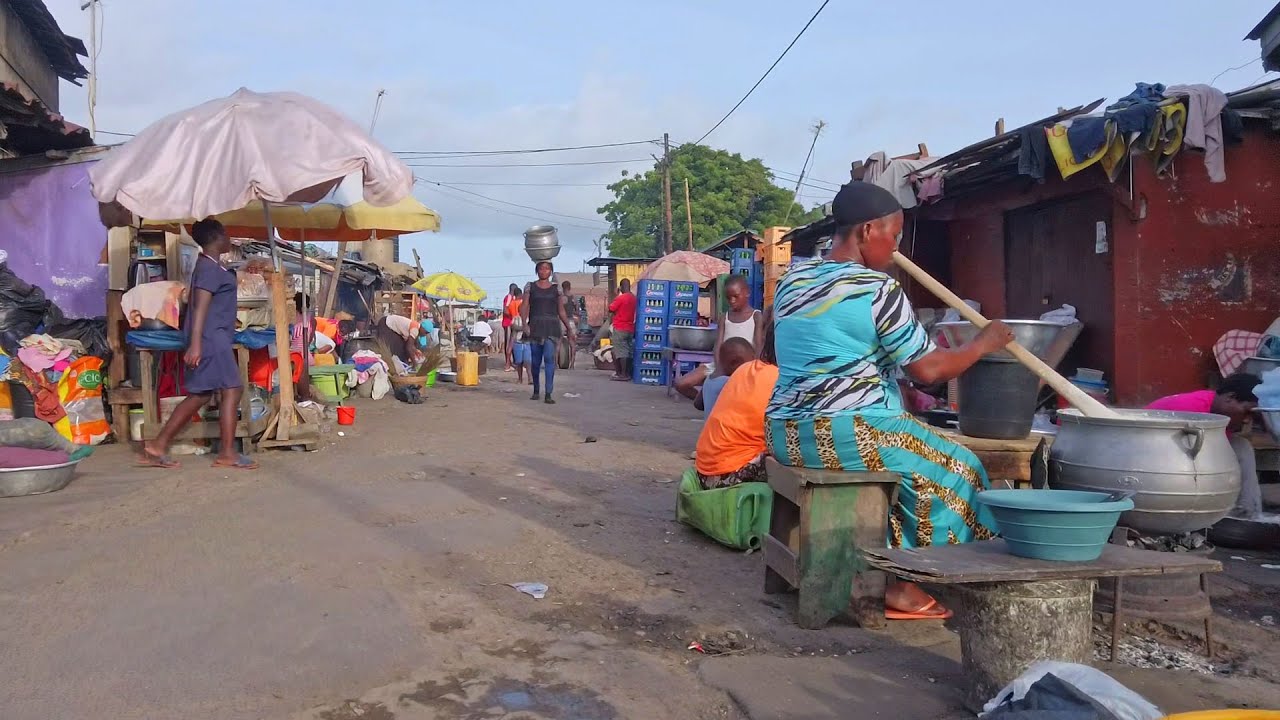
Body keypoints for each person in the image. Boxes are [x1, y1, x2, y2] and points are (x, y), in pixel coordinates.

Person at [767, 182, 1014, 620]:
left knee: (911, 459)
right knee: (963, 469)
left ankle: (889, 569)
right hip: (848, 430)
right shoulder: (877, 289)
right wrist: (983, 344)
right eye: (894, 235)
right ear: (866, 231)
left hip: (785, 430)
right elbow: (929, 370)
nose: (897, 246)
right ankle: (910, 583)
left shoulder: (793, 280)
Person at [140, 219, 258, 470]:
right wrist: (195, 344)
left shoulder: (210, 266)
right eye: (226, 234)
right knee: (232, 389)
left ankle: (159, 445)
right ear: (217, 237)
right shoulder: (208, 269)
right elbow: (200, 307)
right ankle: (227, 453)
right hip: (210, 340)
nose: (229, 239)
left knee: (201, 394)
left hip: (213, 337)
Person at [1147, 373, 1263, 518]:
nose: (1246, 420)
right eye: (1246, 411)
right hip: (1153, 457)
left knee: (1241, 447)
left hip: (1181, 450)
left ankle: (1249, 512)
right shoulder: (1193, 410)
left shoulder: (1217, 409)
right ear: (1230, 398)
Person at [695, 325, 780, 490]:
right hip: (725, 473)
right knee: (791, 462)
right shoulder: (779, 380)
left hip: (704, 468)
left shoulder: (746, 368)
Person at [675, 274, 763, 401]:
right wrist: (719, 368)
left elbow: (759, 345)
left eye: (736, 296)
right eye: (728, 298)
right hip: (721, 364)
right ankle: (707, 403)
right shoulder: (724, 317)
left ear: (747, 293)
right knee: (681, 384)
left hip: (746, 366)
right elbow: (718, 346)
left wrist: (754, 369)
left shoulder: (756, 316)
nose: (732, 301)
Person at [520, 261, 576, 403]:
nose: (544, 271)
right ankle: (536, 390)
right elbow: (524, 306)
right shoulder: (530, 287)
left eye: (547, 269)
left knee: (550, 359)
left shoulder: (556, 290)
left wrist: (569, 328)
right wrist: (524, 324)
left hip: (552, 326)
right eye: (541, 268)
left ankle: (548, 393)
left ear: (551, 272)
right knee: (536, 361)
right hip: (535, 326)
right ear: (537, 271)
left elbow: (561, 311)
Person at [697, 337, 755, 418]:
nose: (752, 369)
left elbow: (698, 404)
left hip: (710, 428)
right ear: (733, 364)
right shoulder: (729, 383)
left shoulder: (709, 379)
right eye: (750, 365)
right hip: (725, 429)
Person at [607, 279, 637, 381]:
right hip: (630, 328)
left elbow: (611, 309)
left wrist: (617, 294)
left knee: (620, 351)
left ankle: (622, 374)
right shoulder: (634, 298)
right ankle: (627, 373)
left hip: (620, 327)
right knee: (628, 351)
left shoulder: (621, 298)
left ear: (621, 287)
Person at [502, 283, 520, 371]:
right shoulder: (509, 298)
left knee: (511, 344)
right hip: (509, 323)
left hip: (511, 322)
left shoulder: (511, 299)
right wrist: (513, 316)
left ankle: (511, 363)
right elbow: (505, 310)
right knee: (510, 344)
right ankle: (508, 364)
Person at [562, 280, 579, 369]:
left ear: (562, 288)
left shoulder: (561, 298)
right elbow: (577, 311)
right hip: (571, 321)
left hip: (561, 321)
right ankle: (572, 364)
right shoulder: (573, 298)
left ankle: (556, 364)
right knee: (572, 343)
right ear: (570, 287)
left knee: (557, 342)